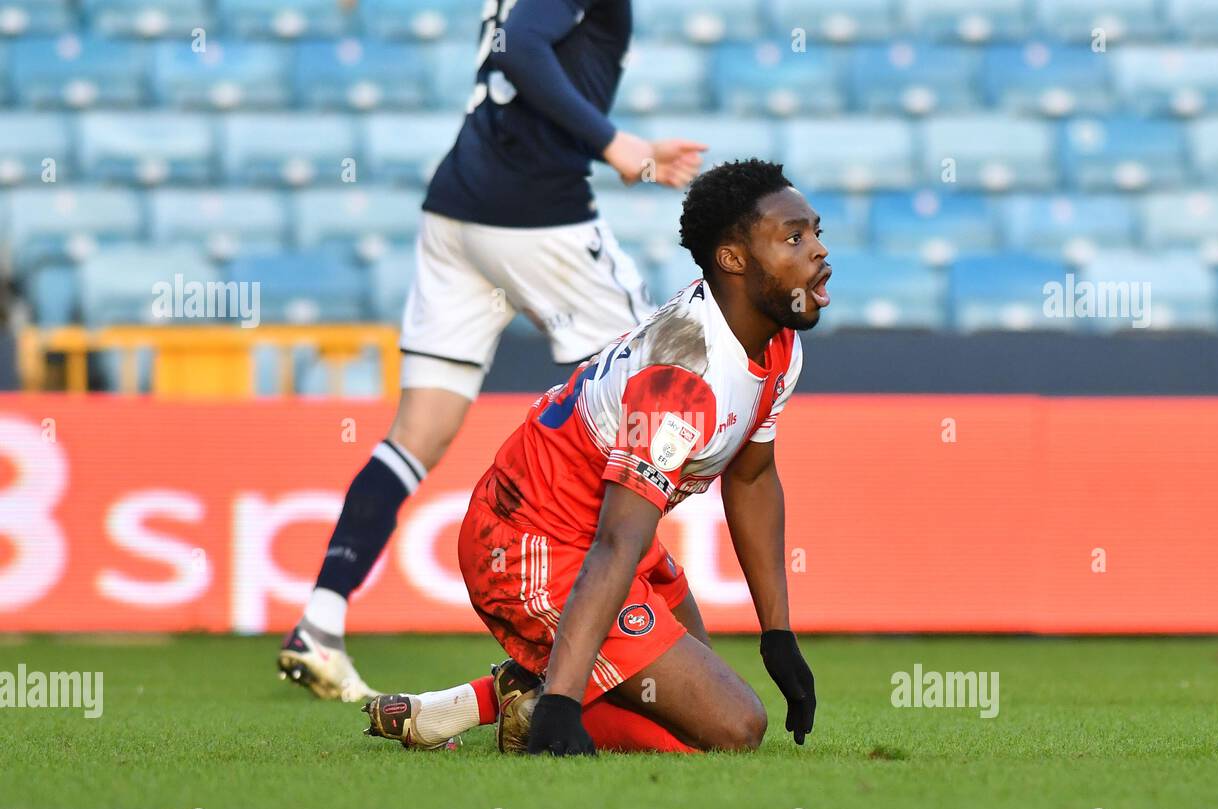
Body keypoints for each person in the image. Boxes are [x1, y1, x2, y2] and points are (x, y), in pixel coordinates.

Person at [279, 0, 706, 700]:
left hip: (459, 207)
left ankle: (320, 624)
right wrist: (615, 142)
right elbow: (523, 47)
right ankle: (609, 639)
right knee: (653, 399)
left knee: (416, 434)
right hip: (536, 215)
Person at [363, 158, 828, 755]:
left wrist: (778, 633)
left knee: (694, 691)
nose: (817, 249)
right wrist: (562, 707)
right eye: (795, 237)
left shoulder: (776, 342)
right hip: (532, 542)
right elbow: (615, 542)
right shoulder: (682, 374)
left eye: (816, 231)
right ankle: (540, 702)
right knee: (733, 728)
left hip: (596, 528)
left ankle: (513, 692)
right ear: (733, 260)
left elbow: (753, 478)